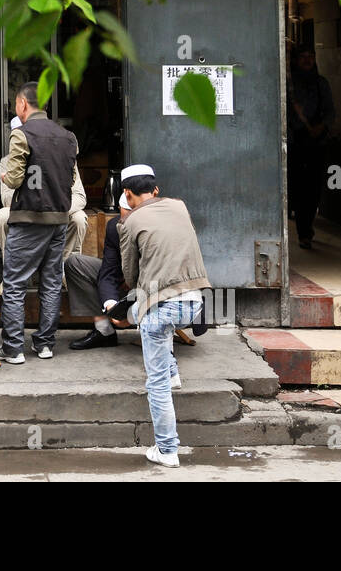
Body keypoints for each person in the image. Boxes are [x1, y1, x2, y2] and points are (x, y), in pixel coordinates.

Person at [119, 164, 211, 468]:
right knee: (141, 315)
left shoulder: (131, 221)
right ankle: (173, 373)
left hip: (161, 306)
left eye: (127, 197)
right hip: (195, 302)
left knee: (153, 376)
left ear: (127, 194)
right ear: (155, 190)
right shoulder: (180, 206)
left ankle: (167, 449)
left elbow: (130, 276)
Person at [0, 83, 78, 364]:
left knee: (15, 284)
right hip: (59, 219)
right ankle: (44, 345)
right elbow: (69, 178)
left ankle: (13, 348)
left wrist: (7, 178)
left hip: (29, 217)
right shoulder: (68, 137)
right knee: (52, 284)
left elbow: (16, 179)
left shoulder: (21, 134)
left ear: (21, 104)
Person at [0, 117, 89, 257]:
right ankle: (12, 272)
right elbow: (7, 199)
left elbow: (80, 197)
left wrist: (54, 207)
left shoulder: (62, 157)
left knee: (79, 218)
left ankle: (67, 269)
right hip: (25, 214)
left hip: (56, 212)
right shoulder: (7, 162)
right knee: (3, 215)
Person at [64, 191, 131, 350]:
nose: (128, 219)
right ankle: (104, 331)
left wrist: (133, 278)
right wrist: (111, 304)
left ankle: (156, 333)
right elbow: (109, 268)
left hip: (152, 285)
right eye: (125, 212)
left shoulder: (157, 225)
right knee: (75, 263)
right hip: (123, 280)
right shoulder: (115, 226)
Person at [286, 46, 335, 249]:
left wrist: (320, 127)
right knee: (297, 187)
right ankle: (302, 229)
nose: (307, 60)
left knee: (313, 187)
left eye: (310, 56)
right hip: (295, 143)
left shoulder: (321, 83)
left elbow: (331, 111)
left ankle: (307, 229)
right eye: (303, 56)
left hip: (316, 142)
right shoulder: (289, 85)